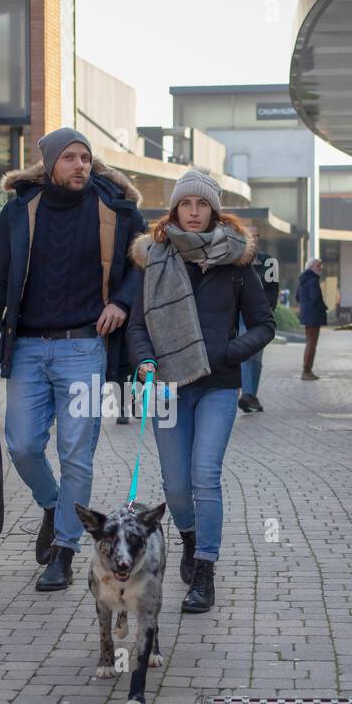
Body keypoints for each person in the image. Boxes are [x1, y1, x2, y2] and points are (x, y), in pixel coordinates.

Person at [0, 127, 146, 591]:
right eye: (70, 158)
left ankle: (64, 549)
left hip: (84, 347)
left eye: (85, 157)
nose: (81, 165)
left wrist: (120, 302)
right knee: (21, 444)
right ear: (48, 164)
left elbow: (144, 263)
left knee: (76, 455)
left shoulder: (116, 208)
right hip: (26, 346)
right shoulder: (20, 211)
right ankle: (52, 503)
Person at [128, 170, 275, 613]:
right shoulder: (154, 258)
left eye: (202, 205)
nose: (193, 212)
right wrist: (144, 360)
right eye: (185, 204)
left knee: (204, 476)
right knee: (175, 487)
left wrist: (229, 352)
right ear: (174, 209)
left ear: (214, 211)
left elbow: (264, 324)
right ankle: (189, 538)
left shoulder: (235, 262)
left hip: (217, 385)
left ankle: (205, 572)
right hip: (169, 386)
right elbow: (138, 324)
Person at [238, 238, 278, 412]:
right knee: (247, 354)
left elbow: (274, 288)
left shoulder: (268, 262)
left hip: (259, 314)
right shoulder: (236, 260)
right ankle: (247, 394)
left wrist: (268, 310)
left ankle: (251, 395)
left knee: (256, 358)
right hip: (240, 314)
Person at [298, 259, 326, 380]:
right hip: (314, 316)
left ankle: (306, 369)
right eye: (318, 265)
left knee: (309, 343)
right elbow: (315, 298)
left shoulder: (303, 280)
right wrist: (323, 307)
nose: (321, 267)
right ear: (311, 267)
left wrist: (306, 306)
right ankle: (307, 371)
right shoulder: (313, 280)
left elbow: (297, 297)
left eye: (321, 265)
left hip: (306, 315)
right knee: (312, 344)